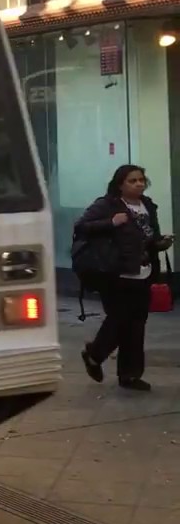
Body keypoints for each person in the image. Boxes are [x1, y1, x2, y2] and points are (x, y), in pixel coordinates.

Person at [74, 164, 173, 391]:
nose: (138, 184)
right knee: (119, 320)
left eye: (141, 180)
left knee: (137, 324)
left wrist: (160, 243)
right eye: (132, 180)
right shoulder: (107, 204)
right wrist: (111, 222)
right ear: (120, 184)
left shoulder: (147, 205)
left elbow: (149, 236)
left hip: (144, 272)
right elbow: (81, 227)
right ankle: (95, 354)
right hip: (115, 273)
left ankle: (130, 375)